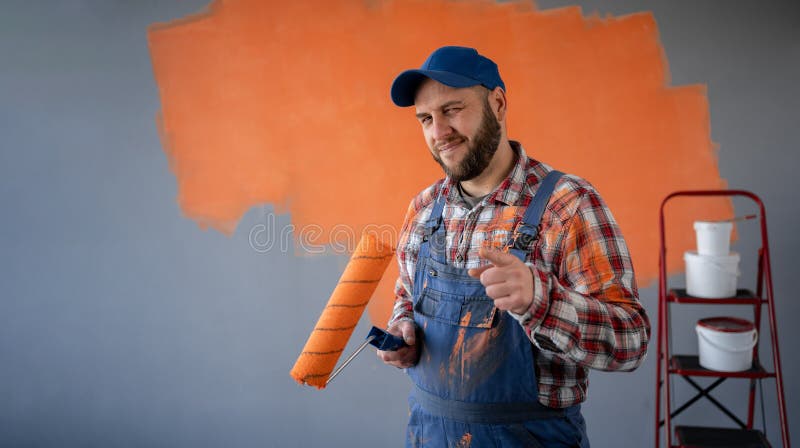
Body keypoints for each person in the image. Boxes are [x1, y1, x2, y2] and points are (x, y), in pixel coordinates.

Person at [377, 46, 651, 447]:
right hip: (428, 435)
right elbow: (406, 297)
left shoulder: (568, 205)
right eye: (426, 119)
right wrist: (403, 332)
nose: (439, 132)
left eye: (452, 110)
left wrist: (541, 301)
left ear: (498, 104)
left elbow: (632, 342)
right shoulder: (422, 209)